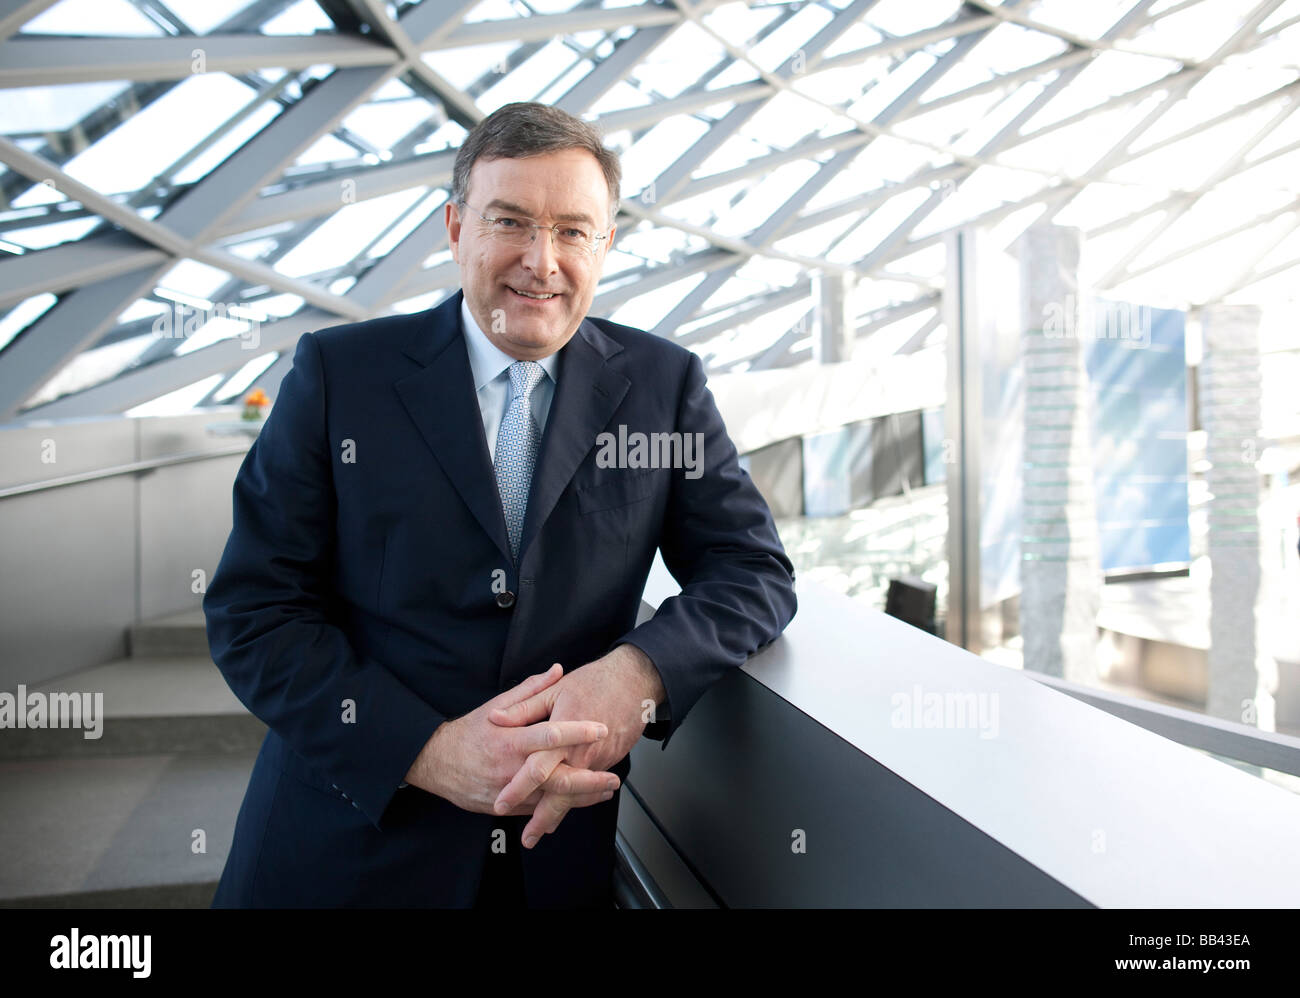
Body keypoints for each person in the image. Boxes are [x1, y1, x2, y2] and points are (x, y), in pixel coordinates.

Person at [204, 101, 797, 908]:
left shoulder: (664, 386)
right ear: (455, 228)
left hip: (550, 864)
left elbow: (752, 570)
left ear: (606, 243)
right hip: (345, 853)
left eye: (573, 230)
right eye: (510, 221)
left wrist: (639, 673)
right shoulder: (342, 376)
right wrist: (427, 751)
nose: (541, 261)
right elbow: (253, 611)